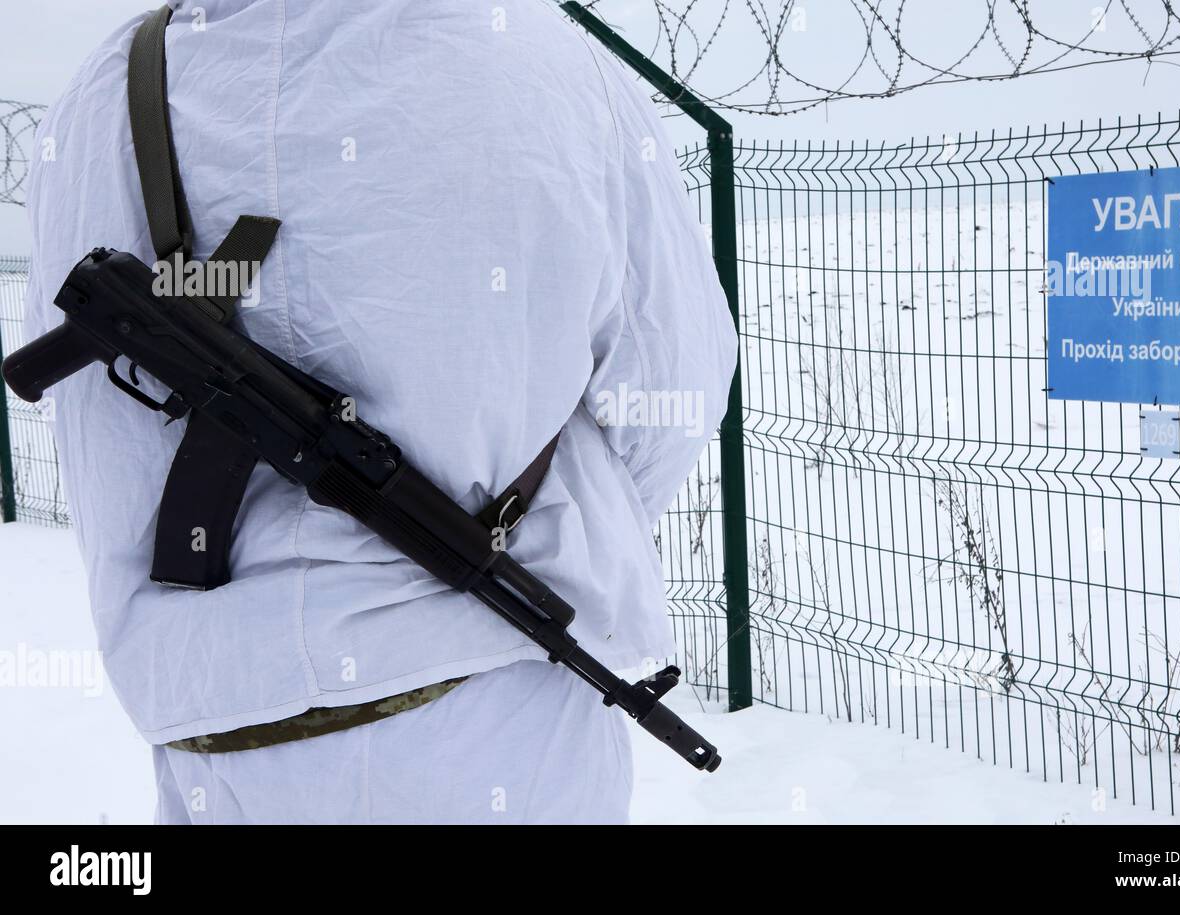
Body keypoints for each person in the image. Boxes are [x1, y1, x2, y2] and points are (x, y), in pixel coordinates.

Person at [21, 0, 736, 824]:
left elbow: (95, 438)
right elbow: (670, 390)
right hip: (492, 726)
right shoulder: (549, 64)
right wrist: (523, 523)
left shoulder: (103, 92)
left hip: (213, 732)